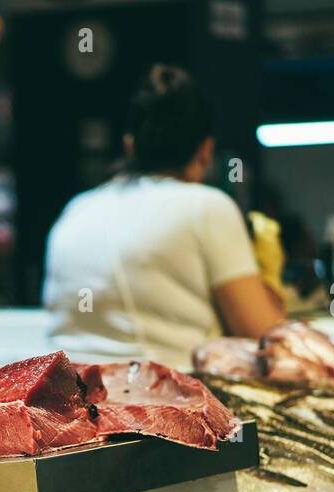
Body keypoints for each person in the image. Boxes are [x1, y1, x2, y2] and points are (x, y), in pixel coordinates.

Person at [43, 64, 285, 367]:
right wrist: (270, 280)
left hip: (66, 401)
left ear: (129, 146)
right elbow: (266, 338)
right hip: (163, 401)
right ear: (206, 151)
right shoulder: (208, 207)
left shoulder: (77, 208)